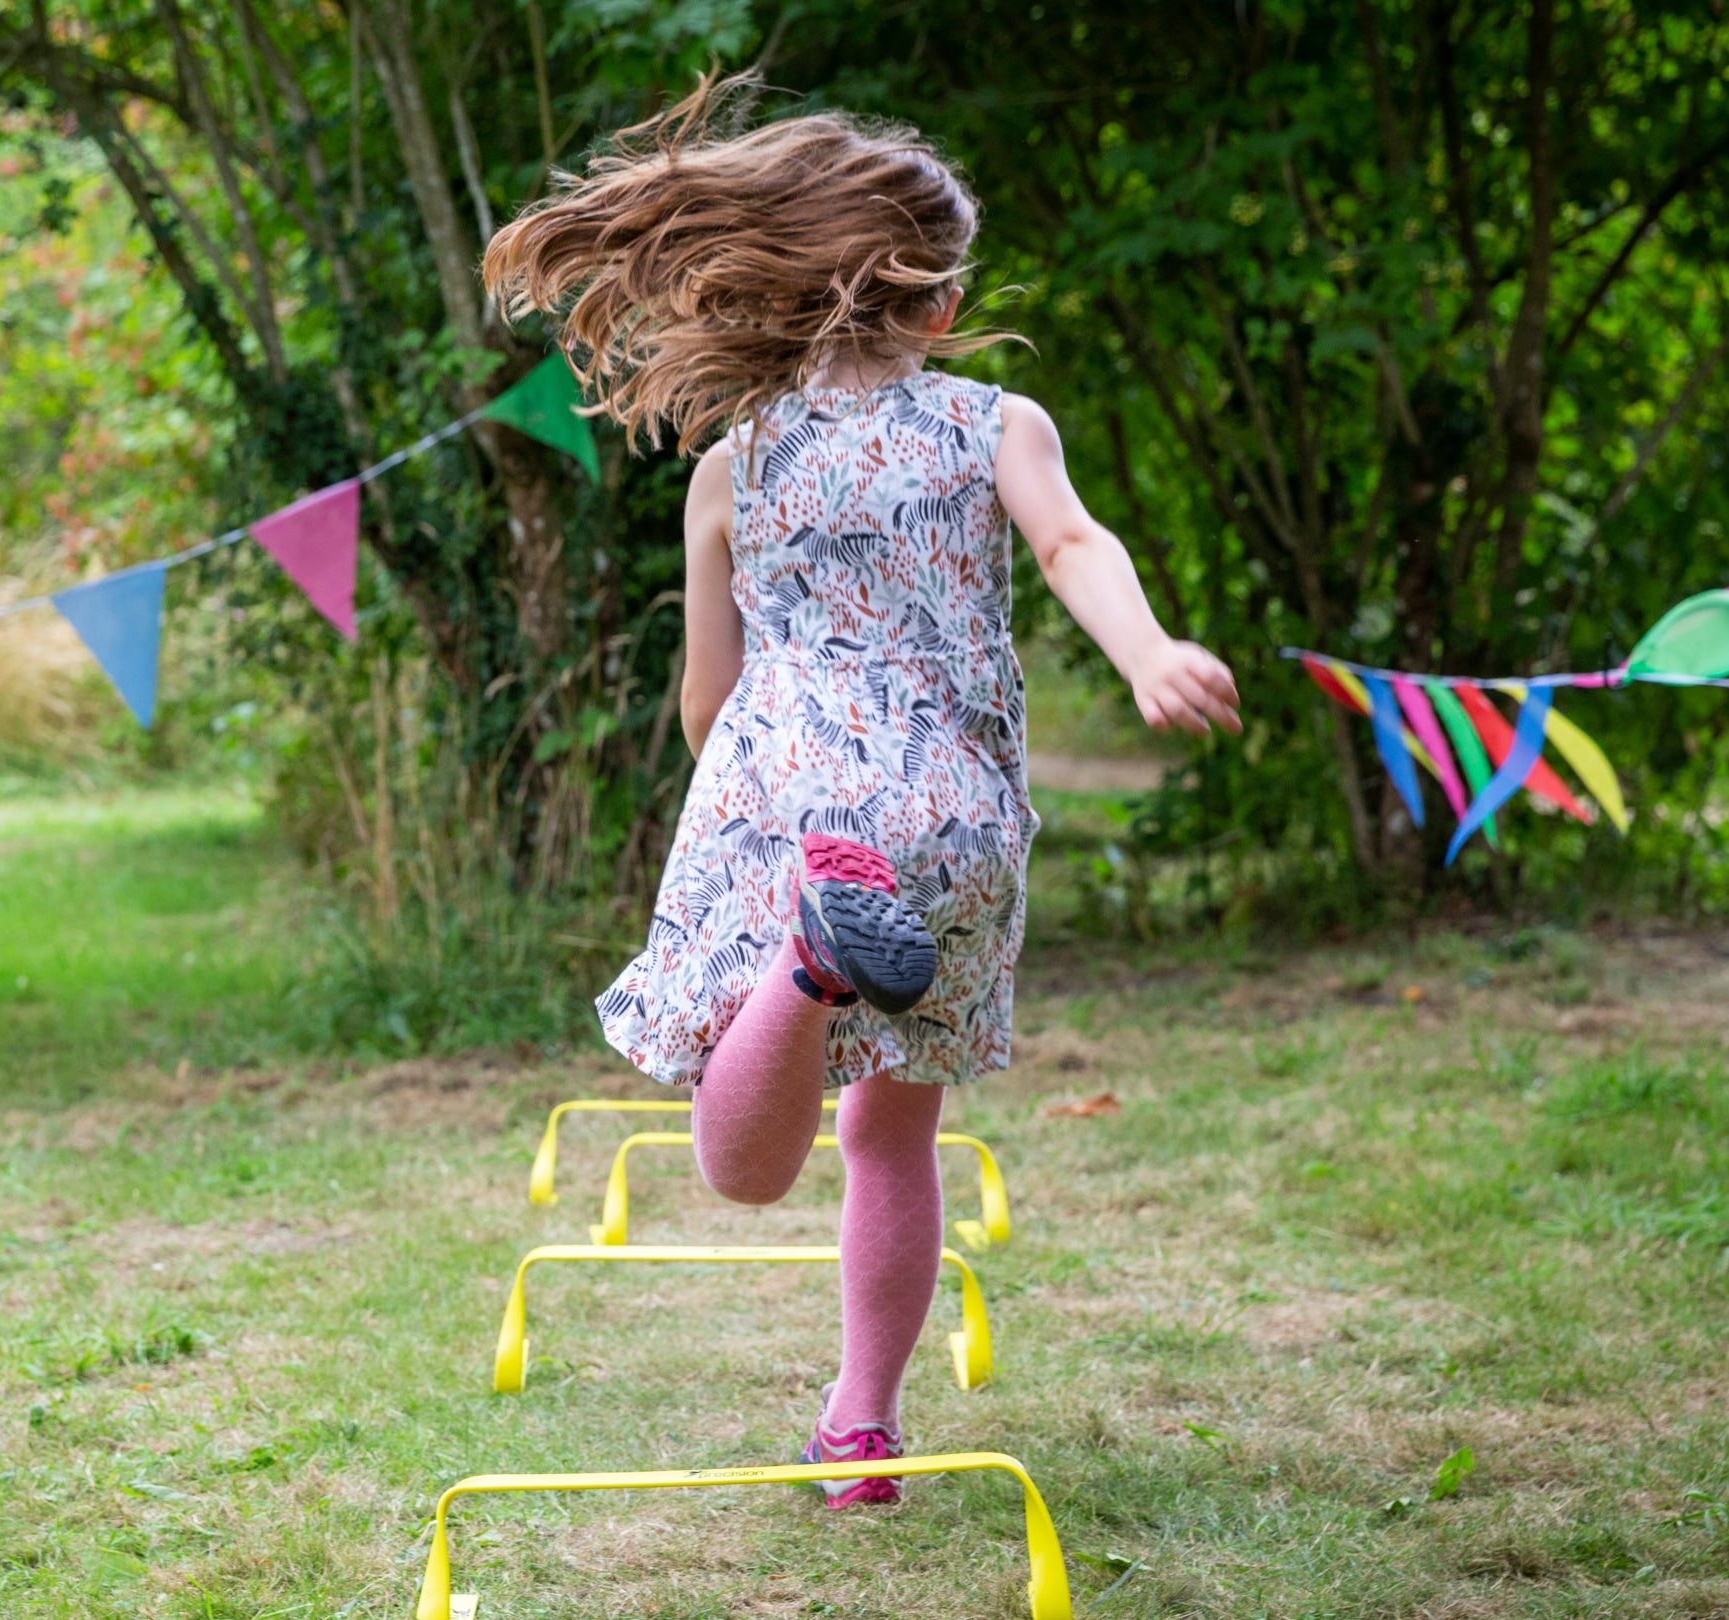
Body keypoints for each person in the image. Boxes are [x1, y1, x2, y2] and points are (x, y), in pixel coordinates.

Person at [482, 78, 1239, 1504]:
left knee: (744, 1165)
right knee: (893, 1131)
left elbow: (709, 699)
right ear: (937, 305)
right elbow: (1075, 548)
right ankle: (862, 1430)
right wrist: (1149, 656)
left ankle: (810, 966)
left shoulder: (731, 465)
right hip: (951, 813)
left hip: (796, 804)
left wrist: (741, 816)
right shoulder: (996, 426)